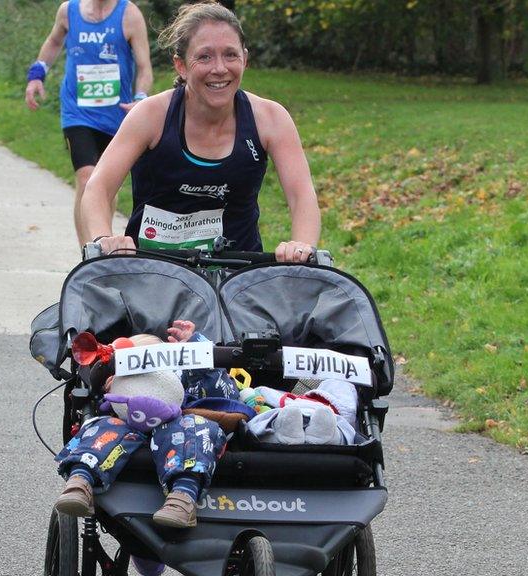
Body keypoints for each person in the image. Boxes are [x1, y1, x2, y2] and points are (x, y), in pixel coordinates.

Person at [80, 1, 320, 263]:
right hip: (153, 274)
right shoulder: (150, 116)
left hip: (237, 277)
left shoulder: (271, 119)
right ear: (181, 65)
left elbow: (302, 196)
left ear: (245, 59)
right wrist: (104, 239)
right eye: (204, 56)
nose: (219, 68)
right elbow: (98, 189)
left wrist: (301, 246)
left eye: (230, 55)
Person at [55, 321, 234, 576]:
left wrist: (197, 352)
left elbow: (224, 394)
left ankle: (183, 496)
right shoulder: (118, 393)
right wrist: (111, 381)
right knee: (102, 428)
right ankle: (81, 480)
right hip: (129, 432)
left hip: (176, 430)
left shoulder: (184, 378)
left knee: (196, 428)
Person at [24, 0, 153, 246]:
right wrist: (36, 75)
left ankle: (100, 236)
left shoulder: (129, 14)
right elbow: (53, 42)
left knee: (105, 185)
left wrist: (140, 98)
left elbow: (144, 66)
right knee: (86, 177)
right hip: (77, 112)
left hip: (116, 115)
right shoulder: (68, 11)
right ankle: (88, 251)